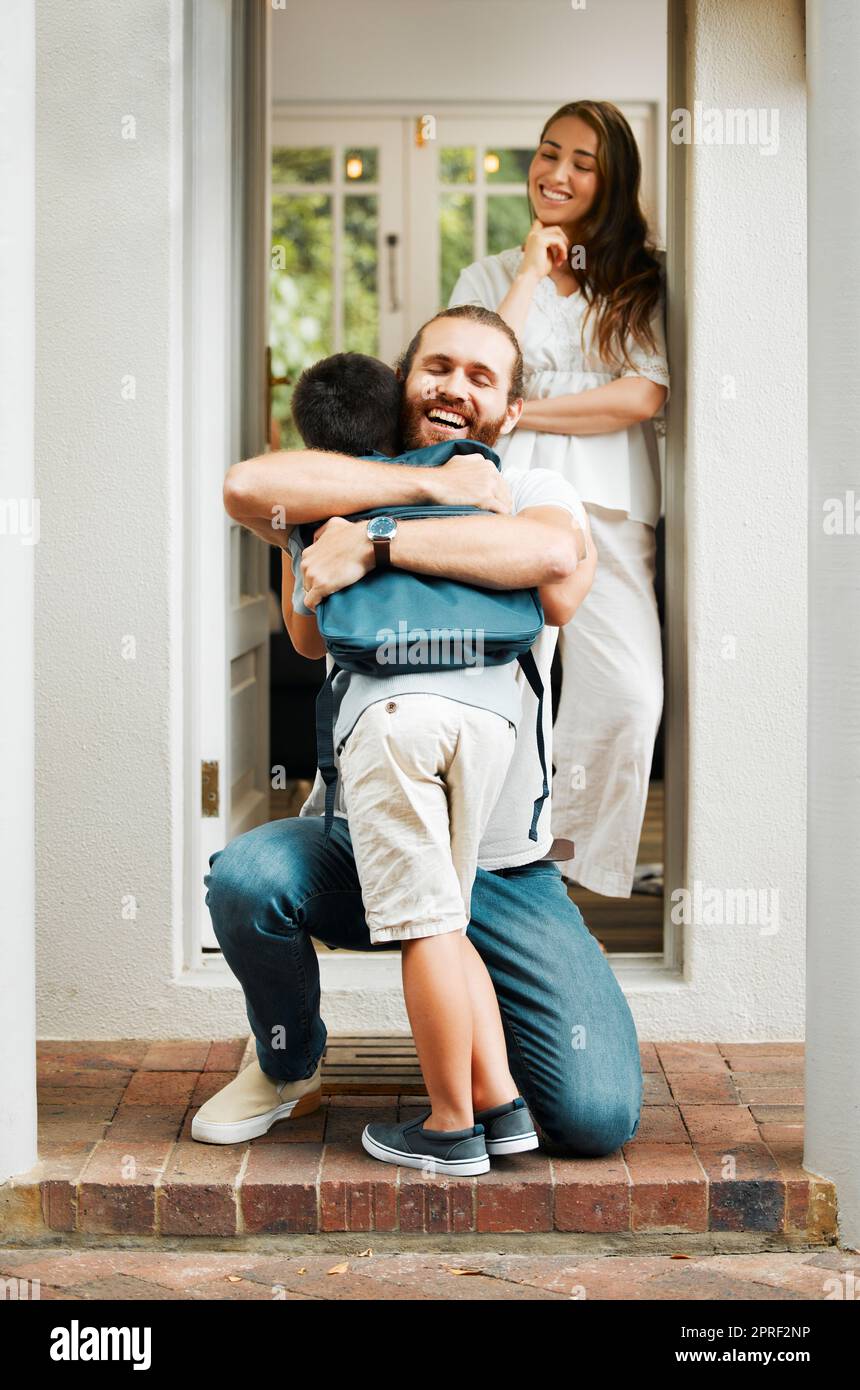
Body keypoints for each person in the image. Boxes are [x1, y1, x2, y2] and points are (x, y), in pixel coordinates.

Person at [192, 304, 644, 1159]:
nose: (455, 388)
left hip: (503, 864)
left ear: (509, 413)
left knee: (595, 1117)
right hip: (364, 840)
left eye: (483, 378)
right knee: (248, 881)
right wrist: (420, 490)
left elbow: (549, 566)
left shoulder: (534, 490)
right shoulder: (347, 488)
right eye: (438, 367)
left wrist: (382, 546)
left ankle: (484, 1064)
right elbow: (245, 489)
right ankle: (288, 1059)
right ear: (404, 380)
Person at [281, 348, 588, 1173]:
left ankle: (450, 1129)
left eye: (480, 375)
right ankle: (502, 1104)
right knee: (447, 920)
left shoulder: (332, 501)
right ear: (401, 397)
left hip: (392, 722)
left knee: (424, 928)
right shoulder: (477, 476)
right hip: (485, 724)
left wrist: (318, 532)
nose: (455, 390)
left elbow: (307, 631)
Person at [448, 100, 670, 899]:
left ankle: (574, 863)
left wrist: (524, 411)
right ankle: (504, 857)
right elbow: (481, 370)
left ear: (610, 183)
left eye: (583, 162)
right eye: (549, 153)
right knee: (508, 681)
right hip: (507, 507)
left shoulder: (642, 276)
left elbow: (640, 396)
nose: (559, 173)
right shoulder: (489, 275)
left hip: (609, 509)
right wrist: (529, 273)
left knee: (628, 694)